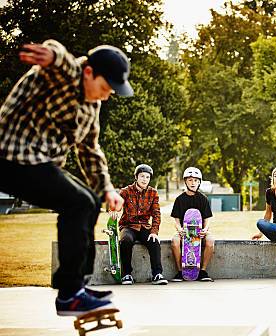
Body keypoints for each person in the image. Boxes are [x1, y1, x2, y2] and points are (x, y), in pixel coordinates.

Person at [0, 40, 133, 315]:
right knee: (77, 203)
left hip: (38, 163)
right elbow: (61, 59)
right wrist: (51, 55)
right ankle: (70, 294)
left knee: (91, 200)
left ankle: (78, 287)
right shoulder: (67, 75)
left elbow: (89, 149)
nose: (106, 95)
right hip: (9, 156)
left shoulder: (92, 105)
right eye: (105, 87)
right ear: (89, 73)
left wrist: (106, 188)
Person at [110, 164, 167, 285]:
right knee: (126, 240)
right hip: (128, 226)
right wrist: (114, 210)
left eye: (147, 177)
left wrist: (154, 231)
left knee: (154, 241)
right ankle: (126, 274)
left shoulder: (153, 193)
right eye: (142, 176)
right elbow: (116, 204)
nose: (144, 179)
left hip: (144, 226)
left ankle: (157, 274)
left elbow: (156, 213)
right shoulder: (125, 191)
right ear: (136, 177)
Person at [170, 167, 215, 282]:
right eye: (190, 180)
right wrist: (180, 230)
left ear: (199, 182)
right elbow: (176, 219)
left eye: (195, 180)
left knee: (210, 241)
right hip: (184, 231)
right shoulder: (180, 199)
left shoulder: (203, 199)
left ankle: (203, 271)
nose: (193, 183)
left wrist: (205, 230)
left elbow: (208, 218)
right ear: (185, 181)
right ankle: (180, 271)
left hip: (199, 231)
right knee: (175, 241)